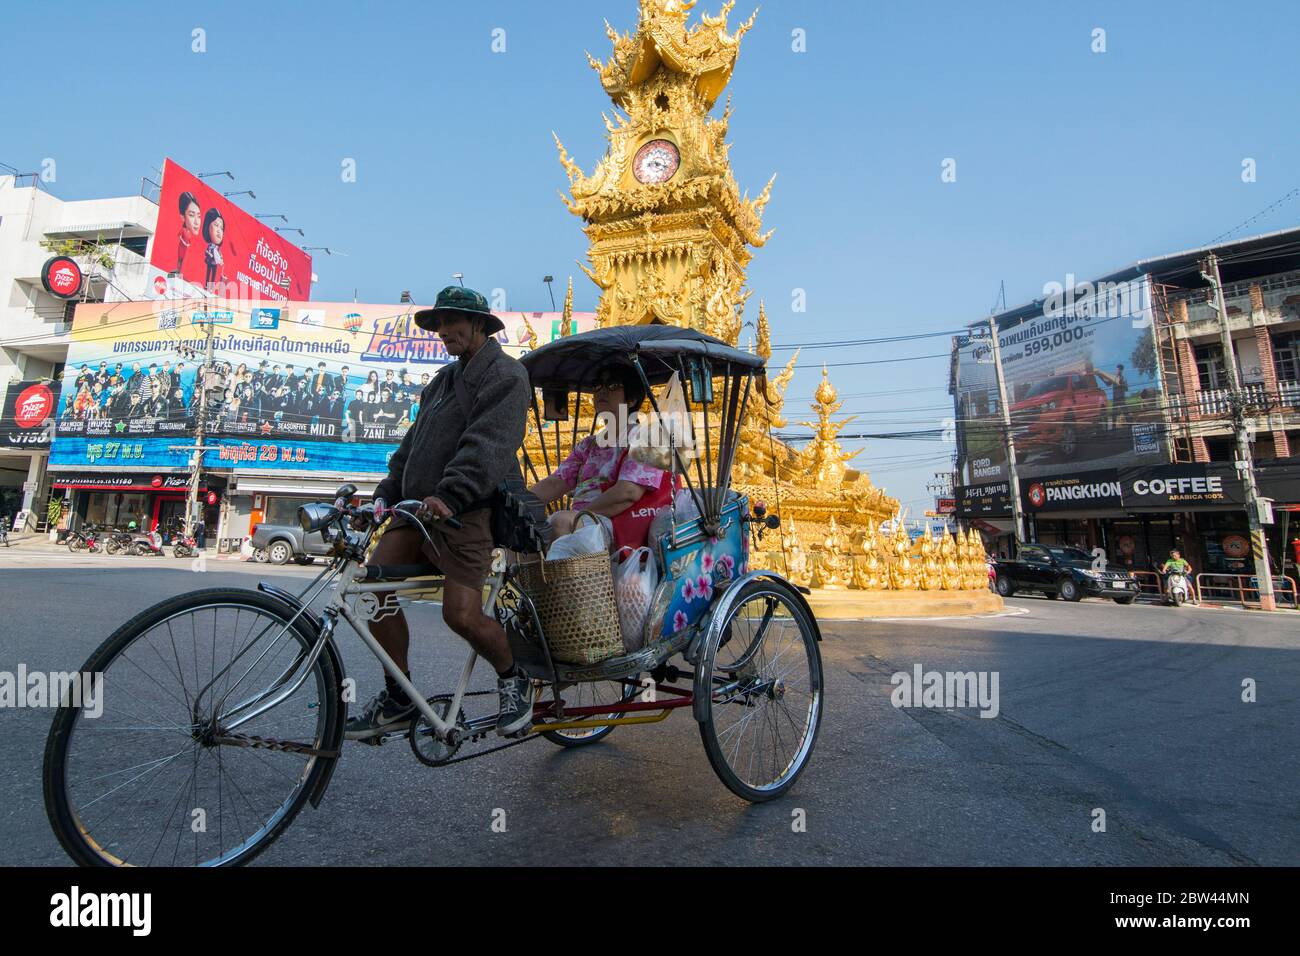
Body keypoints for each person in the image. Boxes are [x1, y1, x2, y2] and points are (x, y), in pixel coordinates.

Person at [345, 286, 532, 741]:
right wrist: (383, 496)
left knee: (460, 615)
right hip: (416, 515)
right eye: (440, 324)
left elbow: (488, 446)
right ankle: (400, 698)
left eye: (453, 322)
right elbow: (410, 449)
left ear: (480, 324)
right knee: (372, 590)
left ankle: (514, 679)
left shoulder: (507, 376)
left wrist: (451, 494)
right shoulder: (442, 382)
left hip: (464, 513)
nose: (444, 331)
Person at [527, 363, 674, 552]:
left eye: (612, 385)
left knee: (560, 522)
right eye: (597, 386)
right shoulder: (589, 445)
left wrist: (580, 516)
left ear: (631, 399)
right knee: (527, 534)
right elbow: (555, 483)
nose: (602, 391)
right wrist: (519, 504)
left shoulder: (647, 438)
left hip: (621, 523)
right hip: (587, 522)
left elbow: (628, 493)